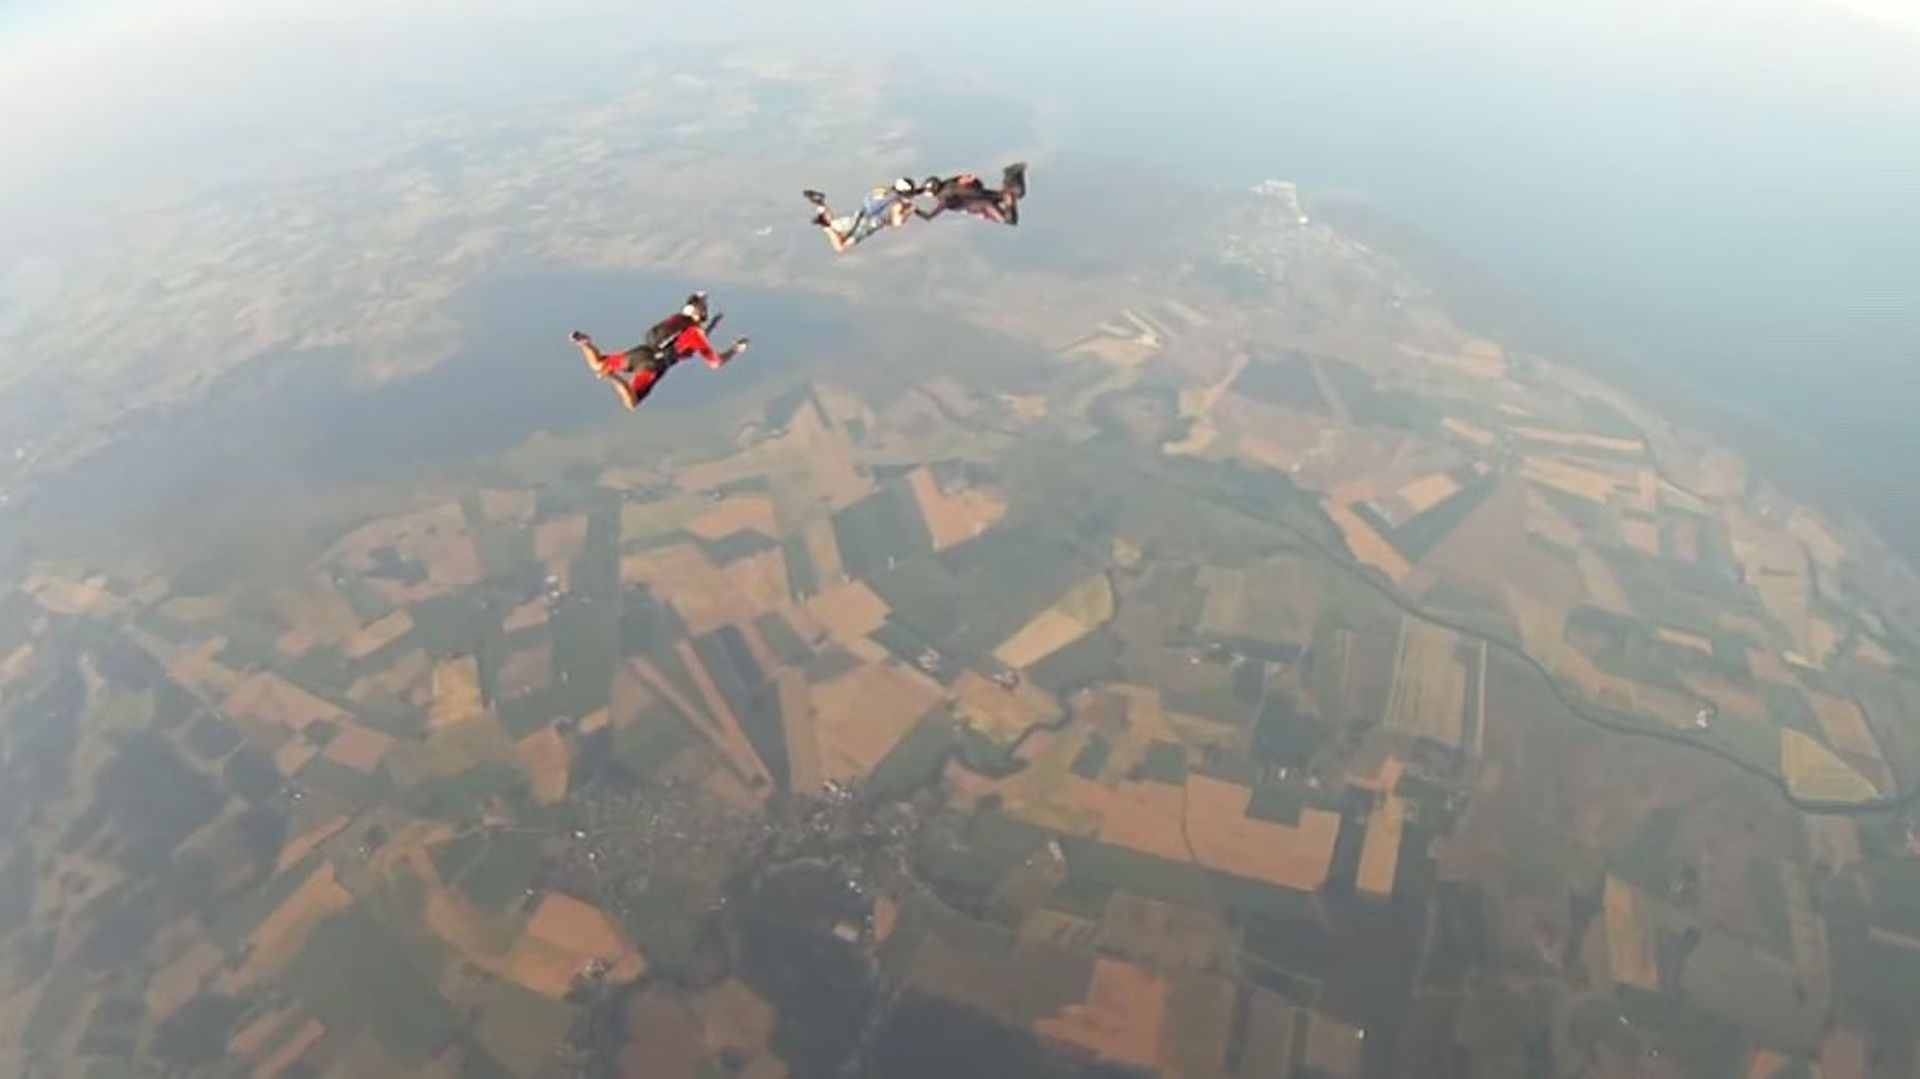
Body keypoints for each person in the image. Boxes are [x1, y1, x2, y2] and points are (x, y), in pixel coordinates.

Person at [568, 293, 748, 411]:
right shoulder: (696, 333)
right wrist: (735, 349)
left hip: (640, 353)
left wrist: (712, 326)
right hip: (653, 366)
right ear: (700, 314)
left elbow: (687, 342)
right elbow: (716, 363)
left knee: (596, 363)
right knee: (632, 403)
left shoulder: (677, 320)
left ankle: (585, 344)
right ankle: (612, 377)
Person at [802, 178, 919, 253]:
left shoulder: (883, 190)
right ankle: (824, 224)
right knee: (840, 246)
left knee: (834, 226)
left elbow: (869, 199)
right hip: (868, 225)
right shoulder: (896, 203)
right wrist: (910, 211)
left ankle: (821, 204)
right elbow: (897, 222)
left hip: (859, 215)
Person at [916, 162, 1027, 226]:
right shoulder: (947, 184)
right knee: (1016, 194)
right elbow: (965, 179)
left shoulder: (944, 200)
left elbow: (928, 216)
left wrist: (914, 209)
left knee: (1009, 219)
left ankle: (1011, 174)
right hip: (981, 196)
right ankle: (1011, 174)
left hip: (983, 203)